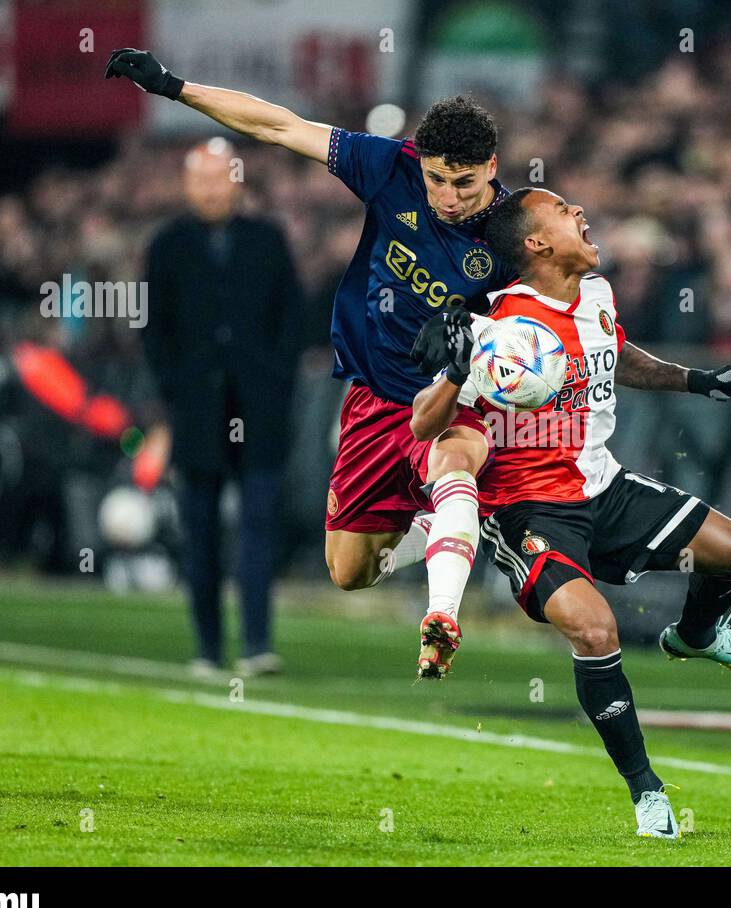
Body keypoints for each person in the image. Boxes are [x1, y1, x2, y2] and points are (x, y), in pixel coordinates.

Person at [105, 50, 509, 676]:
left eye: (464, 183)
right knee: (348, 572)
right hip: (373, 398)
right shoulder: (388, 167)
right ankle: (432, 525)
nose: (448, 198)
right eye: (436, 181)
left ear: (492, 167)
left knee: (455, 459)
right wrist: (176, 88)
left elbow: (565, 301)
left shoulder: (516, 229)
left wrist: (479, 333)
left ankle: (445, 601)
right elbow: (278, 125)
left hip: (451, 394)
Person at [410, 187, 731, 837]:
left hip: (603, 488)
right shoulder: (491, 323)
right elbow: (423, 423)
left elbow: (622, 360)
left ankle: (696, 635)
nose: (582, 214)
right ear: (536, 243)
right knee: (596, 631)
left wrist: (701, 380)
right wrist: (451, 368)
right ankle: (647, 794)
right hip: (531, 512)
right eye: (564, 212)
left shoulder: (601, 296)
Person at [142, 140, 305, 677]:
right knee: (201, 532)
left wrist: (276, 379)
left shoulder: (268, 239)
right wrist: (173, 386)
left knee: (258, 524)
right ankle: (208, 649)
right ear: (187, 185)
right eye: (202, 180)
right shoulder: (167, 245)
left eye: (220, 178)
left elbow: (292, 317)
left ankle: (257, 643)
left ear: (237, 181)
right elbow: (154, 326)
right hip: (196, 412)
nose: (212, 189)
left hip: (258, 410)